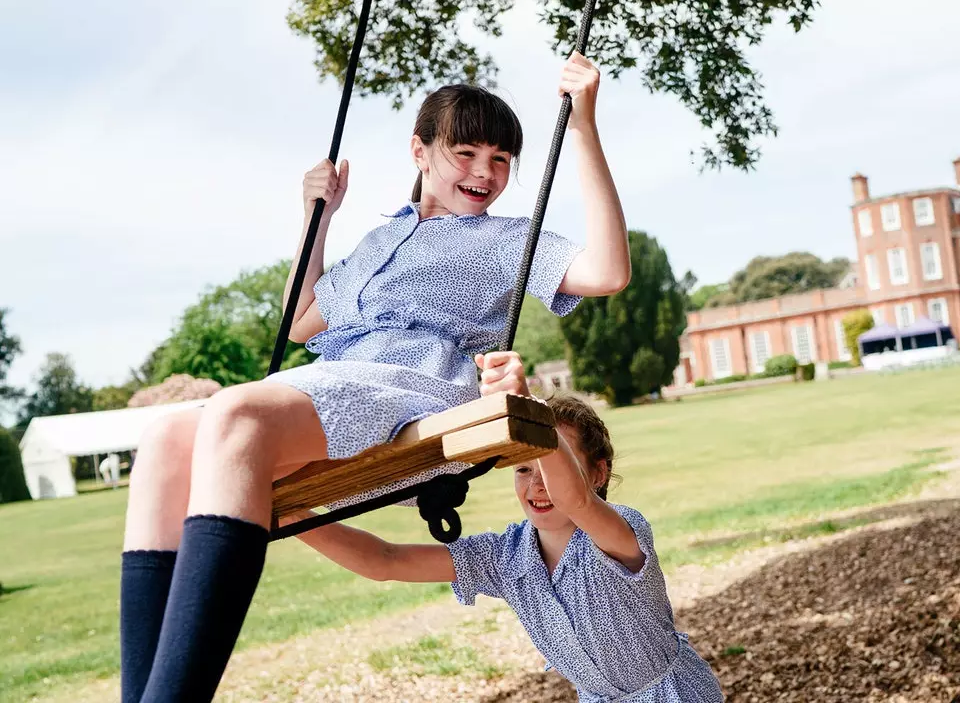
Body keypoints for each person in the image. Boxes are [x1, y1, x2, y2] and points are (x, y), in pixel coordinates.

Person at [118, 52, 631, 703]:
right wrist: (318, 217)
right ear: (421, 150)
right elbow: (301, 322)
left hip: (414, 388)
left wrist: (583, 126)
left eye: (501, 160)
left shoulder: (506, 238)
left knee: (234, 414)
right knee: (164, 441)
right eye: (466, 153)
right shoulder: (380, 242)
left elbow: (609, 270)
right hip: (337, 378)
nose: (485, 173)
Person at [288, 351, 725, 702]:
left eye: (553, 465)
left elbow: (574, 500)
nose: (537, 484)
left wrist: (525, 409)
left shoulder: (621, 532)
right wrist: (288, 515)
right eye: (522, 468)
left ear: (597, 472)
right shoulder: (505, 557)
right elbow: (385, 560)